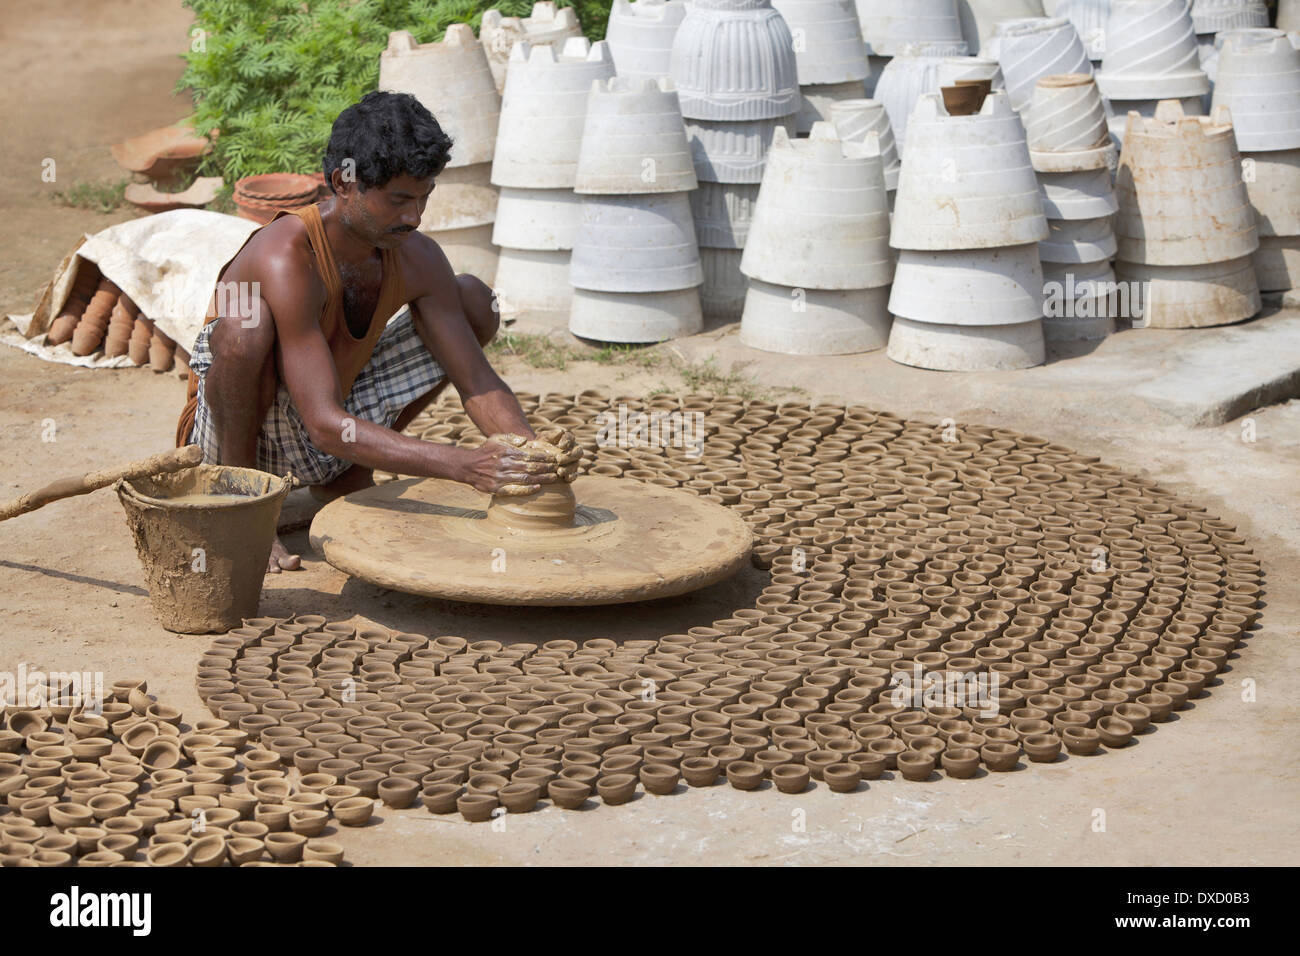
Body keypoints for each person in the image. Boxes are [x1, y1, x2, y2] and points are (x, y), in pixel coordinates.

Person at [176, 91, 562, 572]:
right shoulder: (286, 253)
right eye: (399, 199)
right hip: (242, 432)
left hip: (331, 430)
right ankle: (241, 503)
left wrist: (531, 456)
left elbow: (477, 382)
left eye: (424, 197)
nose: (414, 217)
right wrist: (465, 465)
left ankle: (346, 474)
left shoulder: (415, 255)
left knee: (473, 301)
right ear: (345, 182)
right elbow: (322, 423)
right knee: (242, 327)